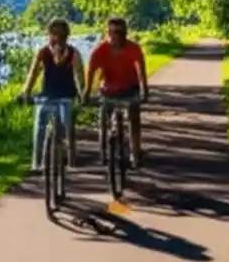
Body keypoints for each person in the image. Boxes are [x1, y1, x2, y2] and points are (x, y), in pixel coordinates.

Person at [20, 18, 85, 172]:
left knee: (67, 126)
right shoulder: (42, 53)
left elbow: (79, 76)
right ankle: (36, 163)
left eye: (60, 34)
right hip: (47, 95)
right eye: (53, 34)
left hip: (66, 95)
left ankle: (71, 161)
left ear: (66, 36)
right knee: (39, 128)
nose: (56, 38)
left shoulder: (73, 54)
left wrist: (82, 94)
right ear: (48, 35)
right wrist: (26, 92)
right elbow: (33, 74)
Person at [86, 17, 149, 166]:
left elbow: (141, 71)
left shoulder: (133, 48)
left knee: (134, 117)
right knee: (103, 118)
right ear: (107, 32)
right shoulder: (100, 49)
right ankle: (103, 152)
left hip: (129, 88)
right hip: (108, 89)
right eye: (111, 32)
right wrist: (87, 92)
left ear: (125, 33)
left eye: (119, 32)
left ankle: (135, 152)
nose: (115, 36)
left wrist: (144, 91)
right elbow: (91, 71)